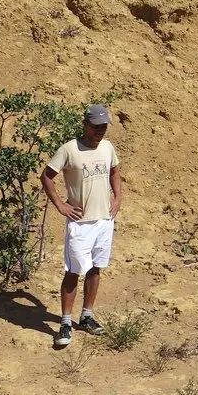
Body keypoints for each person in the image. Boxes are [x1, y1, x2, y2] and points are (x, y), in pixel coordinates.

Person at [41, 103, 122, 349]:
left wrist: (117, 198)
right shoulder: (68, 149)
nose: (100, 131)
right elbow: (46, 176)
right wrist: (61, 206)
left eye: (104, 127)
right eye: (96, 126)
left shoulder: (107, 147)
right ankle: (65, 322)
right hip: (80, 223)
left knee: (96, 268)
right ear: (85, 124)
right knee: (73, 271)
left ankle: (86, 316)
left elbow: (115, 171)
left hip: (104, 221)